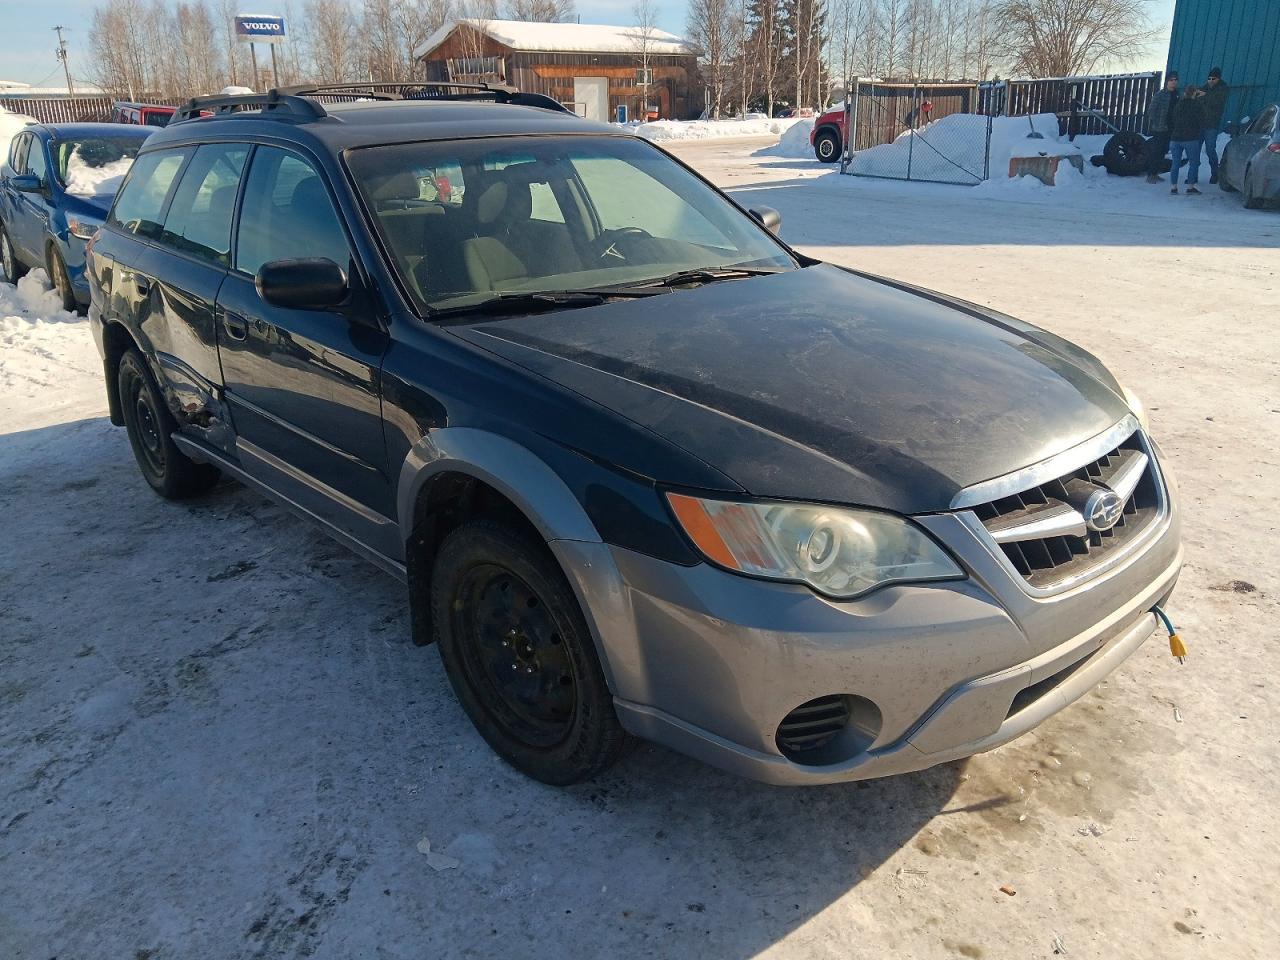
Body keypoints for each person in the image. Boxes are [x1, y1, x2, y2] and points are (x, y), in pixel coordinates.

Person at [1169, 85, 1206, 194]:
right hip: (1190, 138)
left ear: (1185, 93)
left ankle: (1173, 187)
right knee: (1194, 163)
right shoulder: (1197, 105)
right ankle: (1190, 187)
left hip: (1175, 138)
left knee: (1175, 163)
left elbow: (1173, 118)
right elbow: (1203, 120)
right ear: (1195, 93)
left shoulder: (1178, 105)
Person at [1146, 72, 1180, 183]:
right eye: (1171, 80)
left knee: (1164, 151)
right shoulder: (1160, 95)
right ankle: (1150, 174)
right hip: (1160, 128)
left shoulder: (1177, 95)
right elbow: (1151, 110)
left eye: (1175, 80)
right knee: (1156, 151)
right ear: (1166, 82)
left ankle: (1156, 173)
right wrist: (1156, 123)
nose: (1173, 82)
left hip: (1171, 128)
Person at [1201, 66, 1230, 184]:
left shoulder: (1223, 89)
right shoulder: (1204, 88)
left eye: (1214, 78)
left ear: (1218, 79)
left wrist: (1205, 97)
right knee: (1194, 150)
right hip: (1200, 124)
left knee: (1210, 150)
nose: (1211, 80)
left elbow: (1217, 102)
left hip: (1211, 125)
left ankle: (1215, 173)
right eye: (1209, 78)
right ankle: (1192, 175)